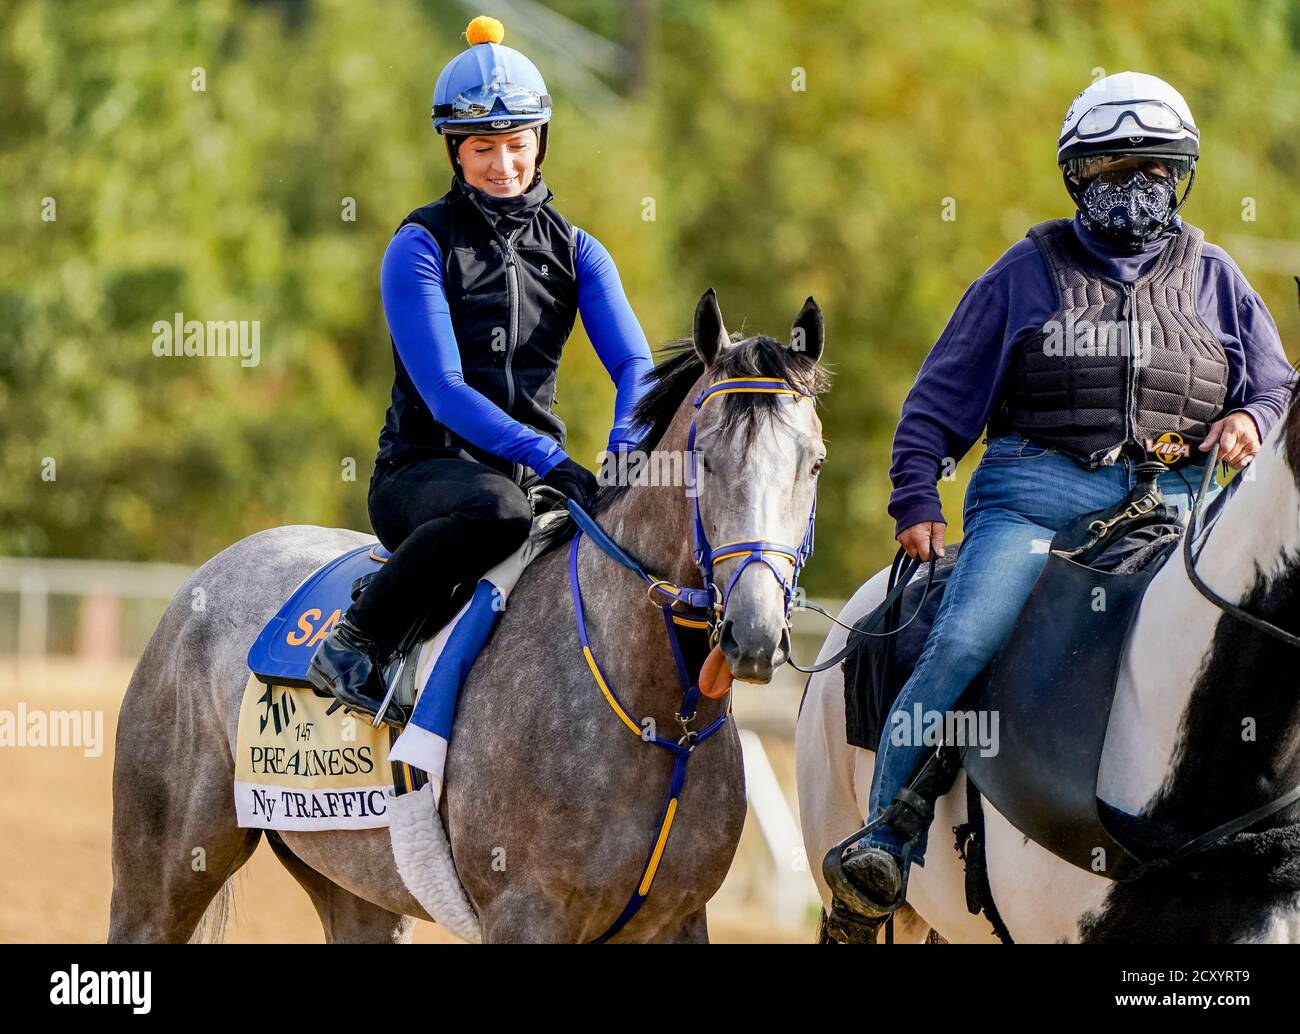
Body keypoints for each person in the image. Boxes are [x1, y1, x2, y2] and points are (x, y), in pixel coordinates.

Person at [840, 71, 1295, 914]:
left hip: (1184, 505)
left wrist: (1251, 419)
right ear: (1077, 174)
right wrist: (916, 502)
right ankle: (885, 839)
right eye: (1116, 165)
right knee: (965, 640)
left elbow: (1277, 384)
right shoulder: (1023, 272)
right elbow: (935, 410)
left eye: (1158, 168)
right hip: (1036, 498)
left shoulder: (1218, 276)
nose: (1139, 185)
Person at [308, 16, 654, 725]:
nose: (503, 164)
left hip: (534, 480)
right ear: (454, 152)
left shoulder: (580, 250)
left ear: (541, 143)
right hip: (425, 474)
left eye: (516, 145)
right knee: (499, 511)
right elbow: (443, 391)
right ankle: (357, 642)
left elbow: (635, 363)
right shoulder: (418, 246)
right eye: (482, 148)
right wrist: (549, 456)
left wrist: (622, 452)